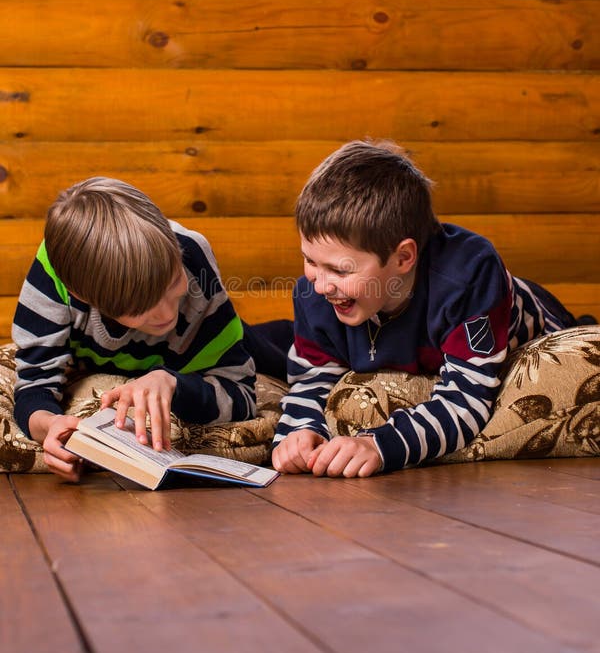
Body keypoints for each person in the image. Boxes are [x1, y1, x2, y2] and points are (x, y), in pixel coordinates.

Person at [272, 139, 582, 479]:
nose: (320, 284)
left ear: (403, 257)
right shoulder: (314, 291)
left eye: (341, 270)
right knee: (269, 340)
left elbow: (467, 400)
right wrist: (297, 432)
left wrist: (379, 445)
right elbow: (312, 378)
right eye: (309, 260)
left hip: (538, 320)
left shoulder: (468, 276)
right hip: (408, 344)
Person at [12, 177, 258, 482]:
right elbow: (33, 387)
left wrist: (173, 383)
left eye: (173, 284)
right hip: (98, 353)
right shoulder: (55, 276)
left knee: (272, 353)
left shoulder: (191, 254)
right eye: (141, 307)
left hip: (197, 348)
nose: (168, 314)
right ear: (84, 298)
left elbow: (243, 393)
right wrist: (49, 425)